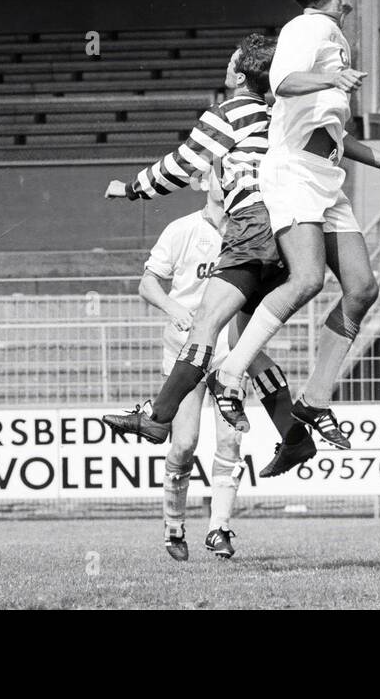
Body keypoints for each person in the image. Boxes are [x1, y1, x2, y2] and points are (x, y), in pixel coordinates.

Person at [210, 0, 380, 460]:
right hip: (293, 175)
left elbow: (329, 132)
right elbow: (283, 81)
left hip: (326, 177)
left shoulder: (330, 35)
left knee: (363, 288)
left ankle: (313, 400)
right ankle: (231, 371)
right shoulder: (308, 27)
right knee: (306, 279)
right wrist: (335, 79)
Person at [101, 34, 317, 477]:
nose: (226, 65)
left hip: (253, 224)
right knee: (244, 343)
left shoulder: (231, 112)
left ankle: (157, 419)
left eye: (231, 60)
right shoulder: (281, 113)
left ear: (239, 75)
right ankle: (293, 437)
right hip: (290, 229)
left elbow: (183, 164)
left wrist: (131, 188)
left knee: (205, 325)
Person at [138, 186, 269, 559]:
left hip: (229, 353)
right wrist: (172, 308)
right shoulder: (182, 229)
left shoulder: (249, 230)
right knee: (184, 443)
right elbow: (147, 283)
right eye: (218, 170)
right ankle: (174, 524)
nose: (226, 178)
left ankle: (219, 528)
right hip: (185, 348)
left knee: (230, 442)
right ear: (200, 180)